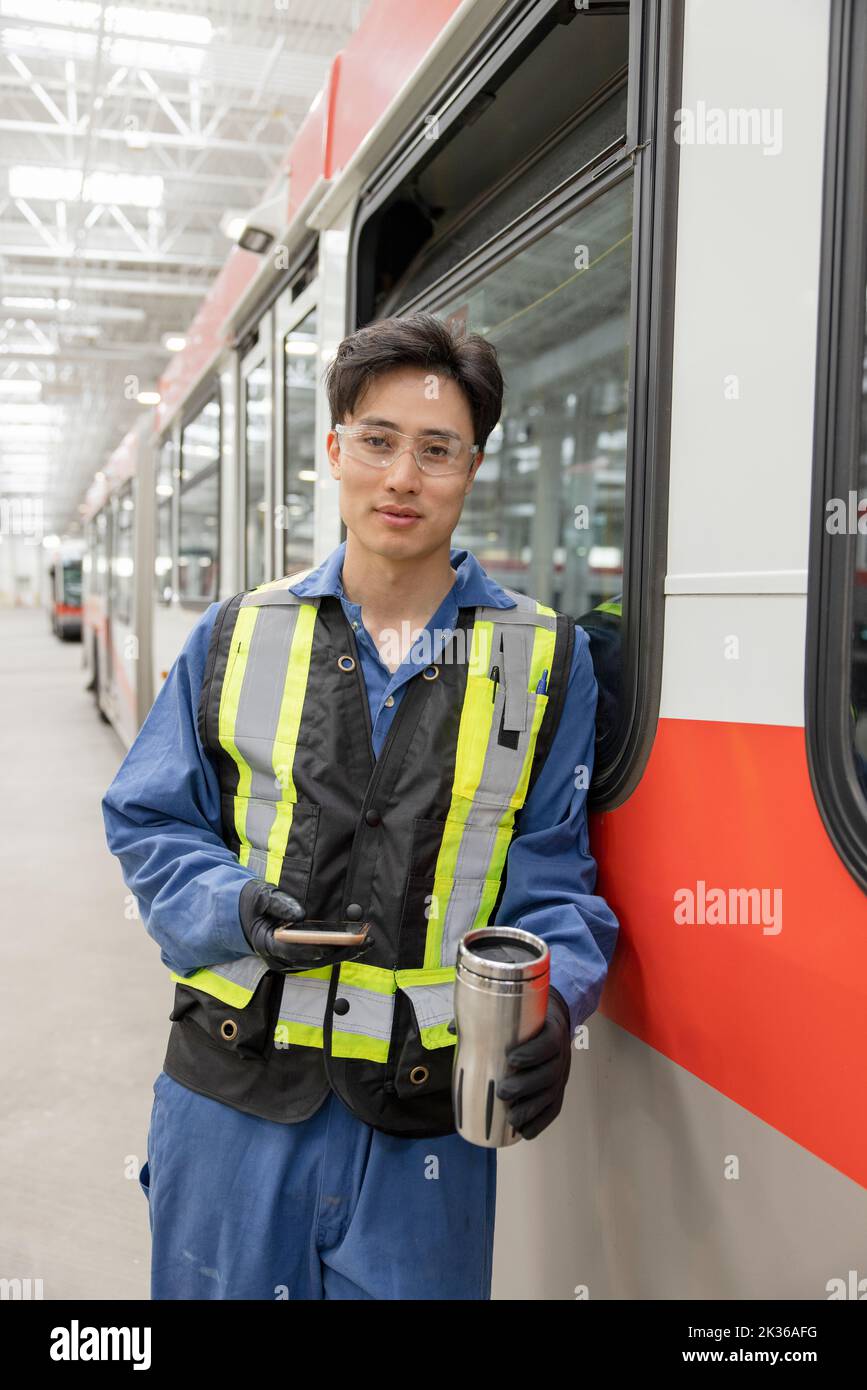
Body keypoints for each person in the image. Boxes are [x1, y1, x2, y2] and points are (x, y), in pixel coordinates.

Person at [102, 311, 620, 1301]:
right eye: (378, 441)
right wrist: (232, 906)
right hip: (233, 1103)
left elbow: (554, 870)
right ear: (336, 450)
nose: (403, 477)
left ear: (473, 468)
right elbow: (151, 820)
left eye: (438, 450)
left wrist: (555, 1001)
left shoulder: (545, 659)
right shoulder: (234, 635)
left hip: (425, 1132)